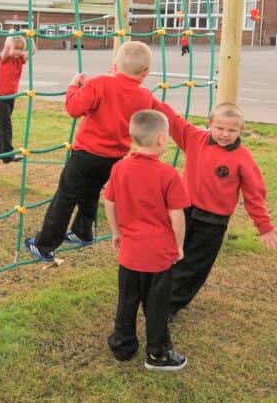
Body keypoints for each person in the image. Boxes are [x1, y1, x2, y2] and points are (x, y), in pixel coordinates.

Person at [25, 41, 158, 261]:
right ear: (146, 72)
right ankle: (82, 232)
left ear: (114, 65)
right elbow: (120, 96)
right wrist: (95, 85)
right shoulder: (144, 95)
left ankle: (44, 245)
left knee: (65, 197)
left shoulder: (101, 83)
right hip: (114, 157)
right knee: (90, 192)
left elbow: (74, 108)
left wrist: (74, 86)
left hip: (87, 154)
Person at [151, 100, 277, 319]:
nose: (225, 134)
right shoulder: (194, 139)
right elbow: (172, 119)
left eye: (232, 130)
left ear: (241, 130)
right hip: (183, 212)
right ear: (209, 124)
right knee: (169, 255)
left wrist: (264, 226)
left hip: (213, 221)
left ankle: (169, 307)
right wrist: (144, 95)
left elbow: (254, 195)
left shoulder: (243, 158)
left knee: (194, 267)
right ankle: (155, 295)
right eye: (220, 128)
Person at [105, 109, 189, 371]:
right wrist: (179, 246)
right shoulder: (168, 175)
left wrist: (116, 232)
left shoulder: (119, 168)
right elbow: (177, 217)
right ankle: (157, 354)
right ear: (162, 139)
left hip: (130, 253)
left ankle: (123, 345)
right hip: (158, 256)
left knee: (127, 301)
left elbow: (109, 201)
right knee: (157, 307)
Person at [0, 36, 30, 163]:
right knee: (6, 125)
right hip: (0, 97)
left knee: (1, 124)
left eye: (20, 49)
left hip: (11, 97)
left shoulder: (19, 61)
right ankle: (7, 155)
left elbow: (32, 51)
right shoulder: (4, 59)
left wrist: (29, 37)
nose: (18, 52)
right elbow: (7, 49)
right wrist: (10, 39)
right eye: (16, 49)